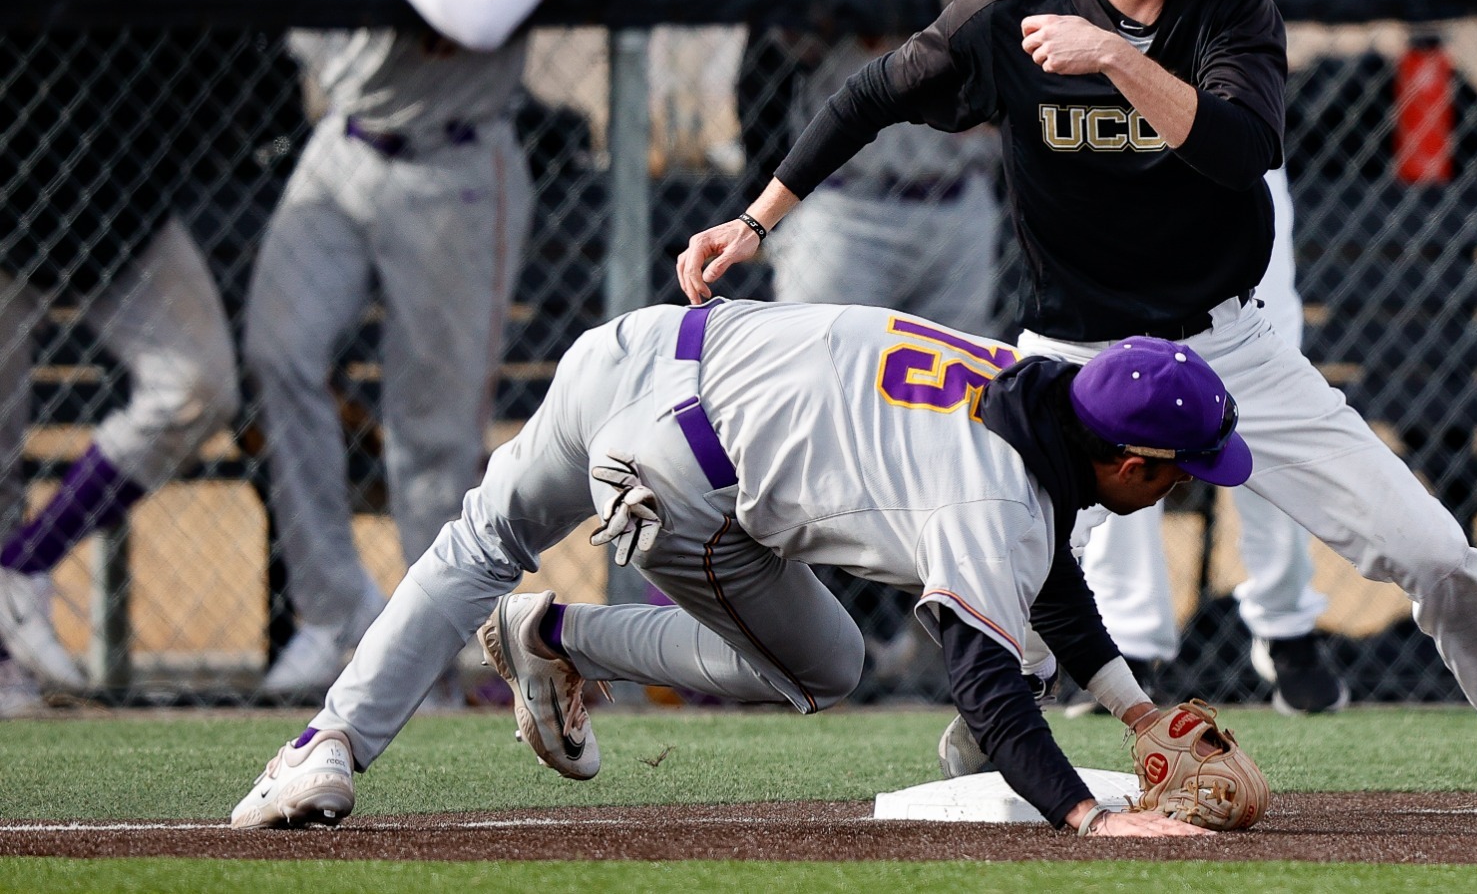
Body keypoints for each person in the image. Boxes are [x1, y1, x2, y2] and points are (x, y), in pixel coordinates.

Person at [678, 0, 1477, 809]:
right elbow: (868, 95)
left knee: (1432, 549)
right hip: (1067, 363)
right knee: (1016, 591)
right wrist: (757, 220)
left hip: (1226, 348)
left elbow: (1238, 149)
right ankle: (1002, 725)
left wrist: (1115, 58)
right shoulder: (1011, 9)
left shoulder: (1229, 1)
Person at [232, 299, 1229, 838]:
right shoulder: (993, 493)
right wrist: (1091, 820)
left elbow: (1050, 571)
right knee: (823, 668)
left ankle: (325, 748)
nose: (1179, 493)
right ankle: (563, 638)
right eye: (1178, 479)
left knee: (477, 543)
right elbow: (983, 678)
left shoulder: (1028, 385)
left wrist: (1137, 712)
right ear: (1132, 463)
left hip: (640, 343)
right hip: (680, 470)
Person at [933, 0, 1349, 714]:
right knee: (1093, 399)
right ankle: (1125, 649)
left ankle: (1285, 628)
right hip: (1085, 163)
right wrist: (1013, 77)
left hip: (1212, 149)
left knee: (1260, 382)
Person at [247, 0, 577, 699]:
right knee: (278, 353)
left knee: (432, 428)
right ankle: (332, 610)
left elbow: (477, 16)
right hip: (341, 147)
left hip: (458, 163)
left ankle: (422, 653)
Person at [740, 0, 999, 687]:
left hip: (962, 209)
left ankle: (929, 647)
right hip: (847, 210)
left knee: (950, 427)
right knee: (813, 412)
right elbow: (751, 37)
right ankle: (785, 638)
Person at [0, 0, 248, 710]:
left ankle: (25, 562)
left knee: (201, 383)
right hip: (6, 222)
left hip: (123, 223)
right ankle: (5, 655)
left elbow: (248, 70)